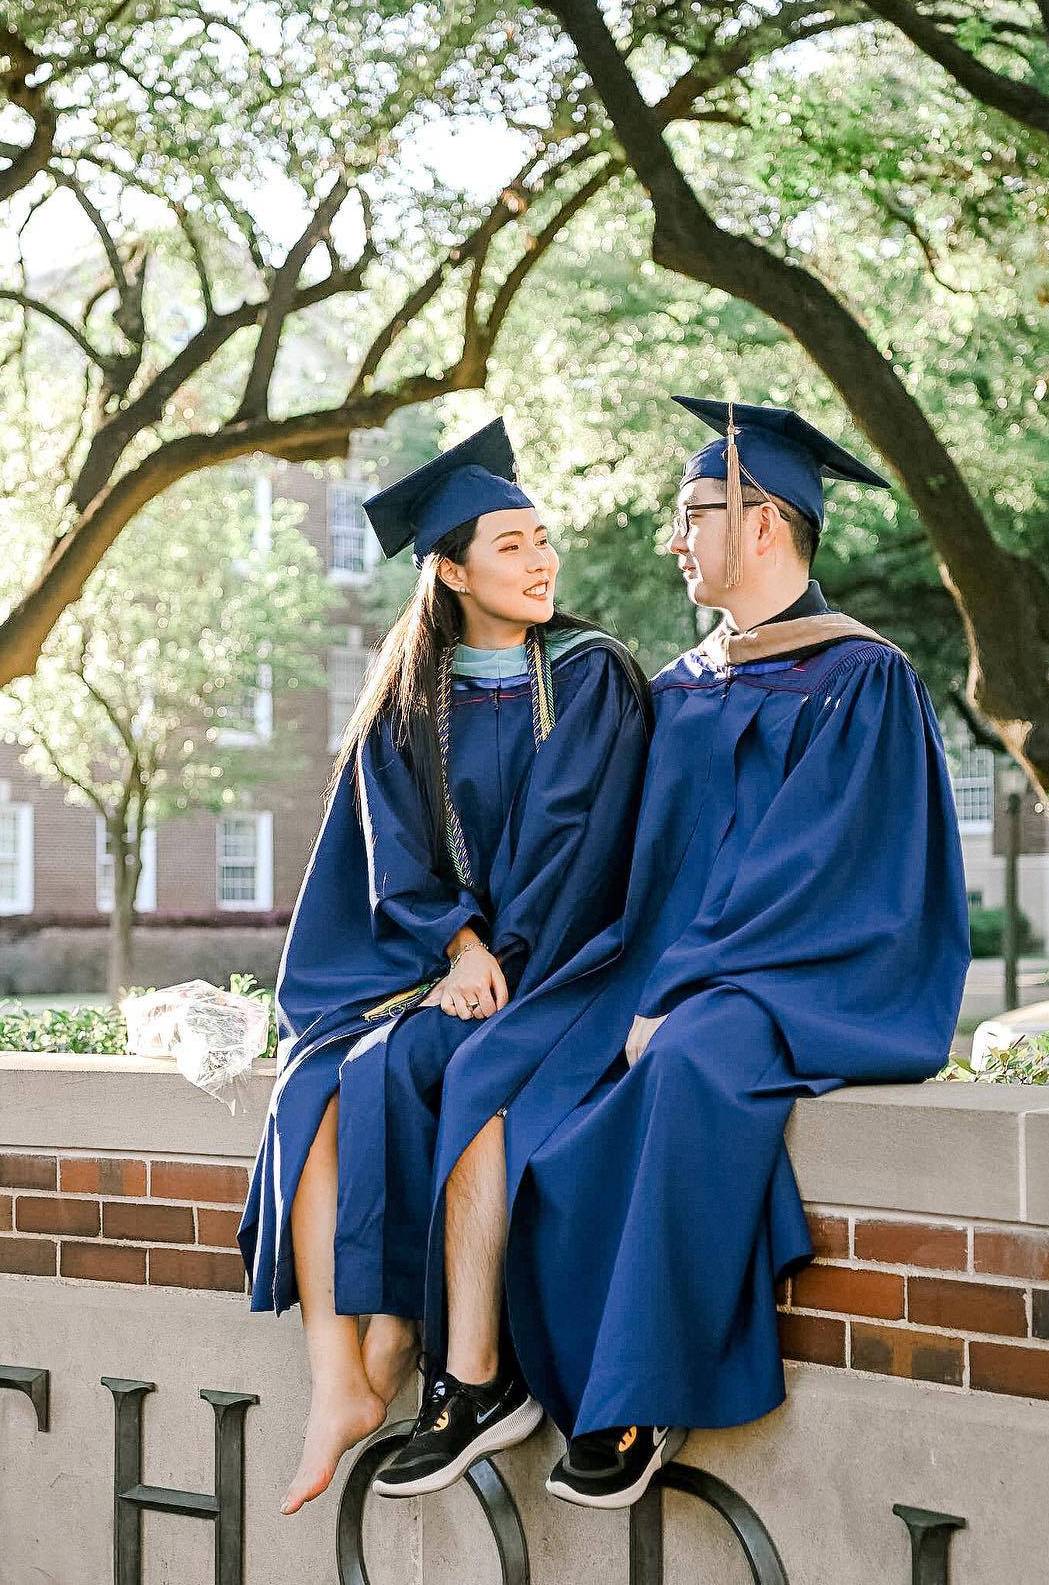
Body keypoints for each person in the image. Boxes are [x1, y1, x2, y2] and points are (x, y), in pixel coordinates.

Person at [374, 396, 970, 1510]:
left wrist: (688, 981)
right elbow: (599, 854)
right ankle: (477, 1376)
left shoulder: (860, 679)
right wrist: (480, 944)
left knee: (690, 1061)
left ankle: (639, 1396)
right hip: (654, 963)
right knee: (501, 1061)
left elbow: (820, 872)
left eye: (692, 514)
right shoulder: (678, 686)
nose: (674, 536)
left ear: (761, 525)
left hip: (797, 971)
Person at [236, 418, 652, 1515]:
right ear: (452, 569)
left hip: (571, 959)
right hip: (459, 963)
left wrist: (492, 957)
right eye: (512, 545)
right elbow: (391, 855)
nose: (540, 559)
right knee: (317, 1081)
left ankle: (396, 1354)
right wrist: (454, 946)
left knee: (396, 1071)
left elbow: (579, 846)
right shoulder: (409, 699)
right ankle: (345, 1375)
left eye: (543, 538)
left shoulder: (591, 676)